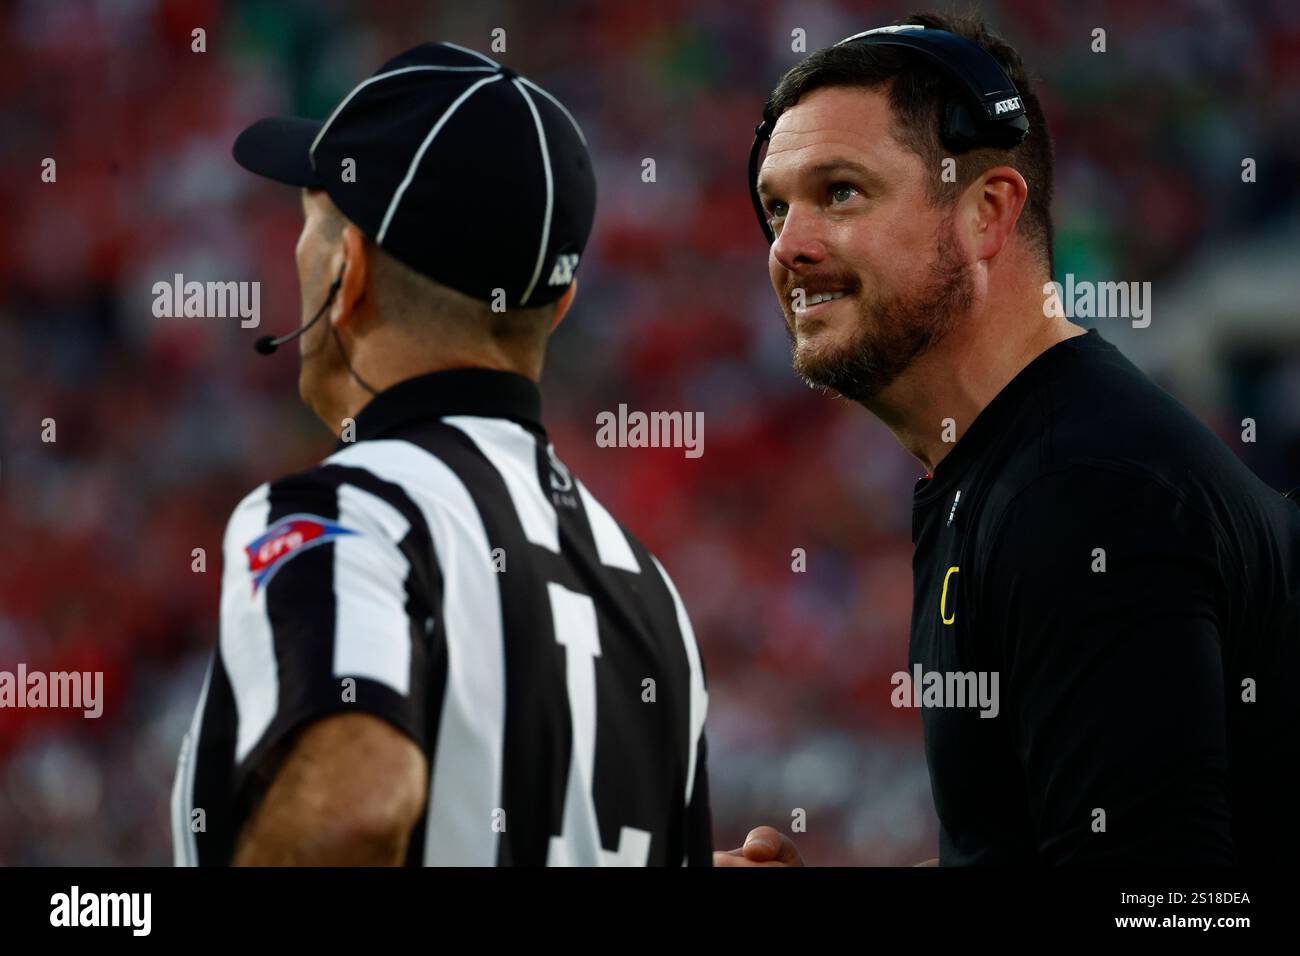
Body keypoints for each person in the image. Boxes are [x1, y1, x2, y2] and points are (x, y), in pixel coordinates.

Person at [723, 12, 1300, 866]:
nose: (789, 246)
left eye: (840, 191)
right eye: (776, 207)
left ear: (986, 212)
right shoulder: (1017, 463)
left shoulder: (1084, 494)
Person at [170, 41, 711, 866]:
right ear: (558, 306)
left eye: (311, 225)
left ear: (348, 270)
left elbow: (354, 807)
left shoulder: (346, 515)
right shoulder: (654, 597)